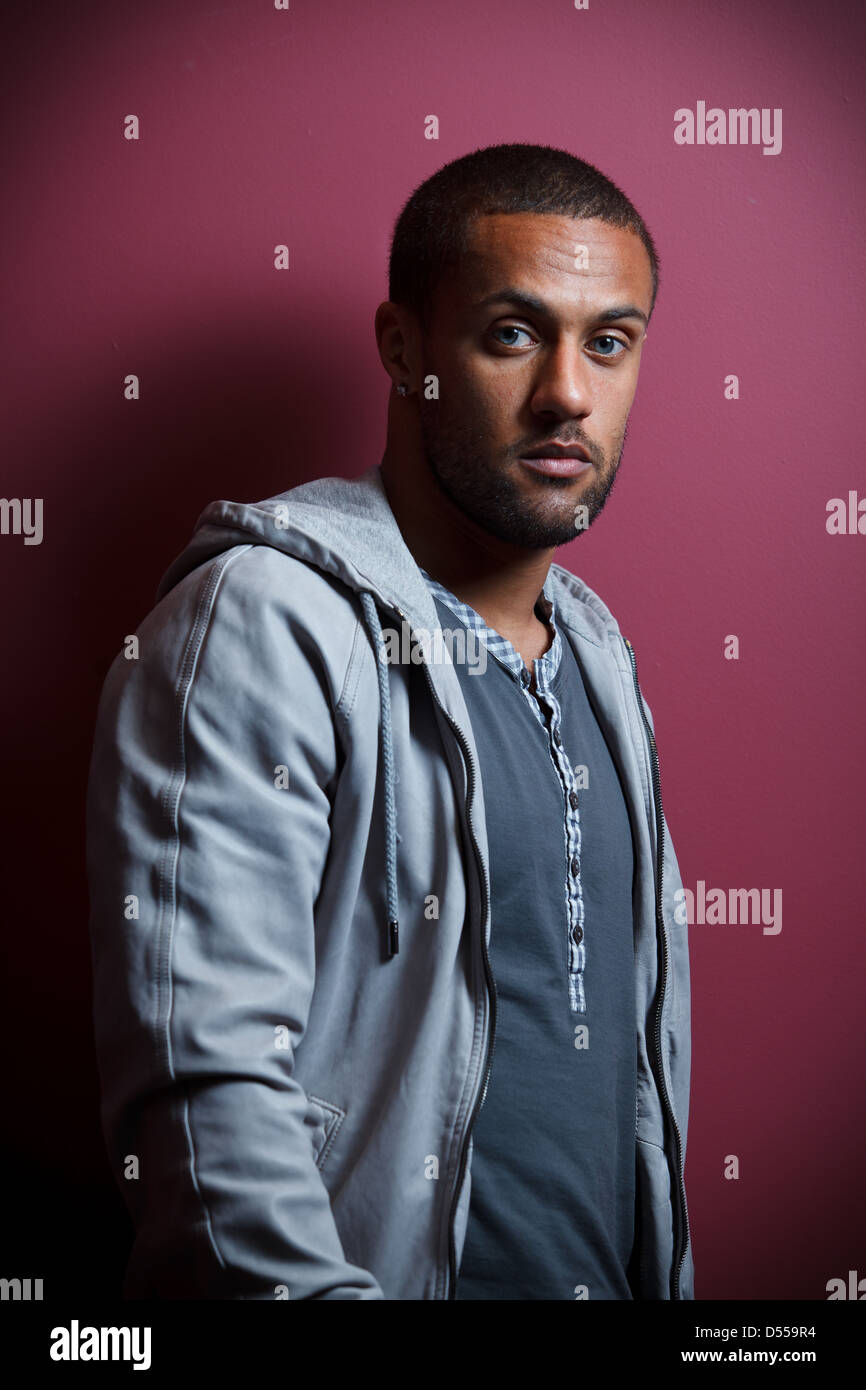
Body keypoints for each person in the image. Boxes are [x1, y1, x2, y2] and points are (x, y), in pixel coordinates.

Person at [86, 142, 694, 1301]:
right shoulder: (261, 621)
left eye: (608, 342)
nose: (568, 392)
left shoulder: (597, 656)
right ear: (403, 348)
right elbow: (205, 1094)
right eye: (511, 333)